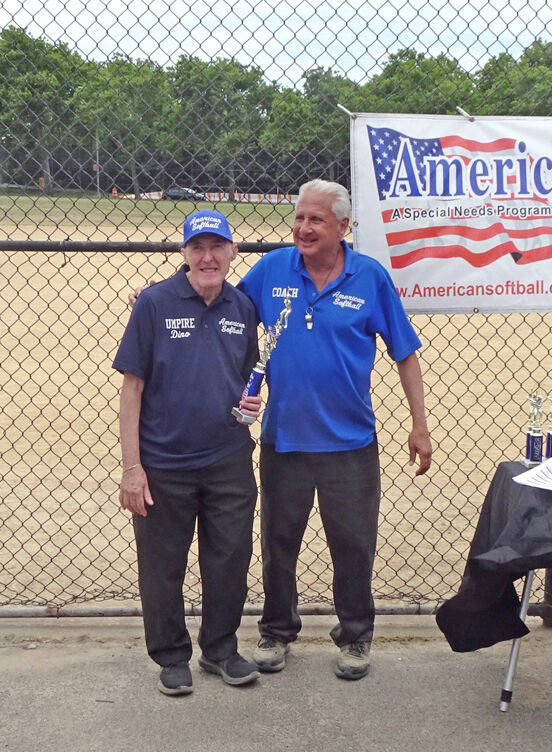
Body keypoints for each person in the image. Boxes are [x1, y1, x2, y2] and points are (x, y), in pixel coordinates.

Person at [238, 179, 432, 680]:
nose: (303, 227)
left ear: (343, 226)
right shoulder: (273, 269)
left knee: (352, 544)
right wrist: (164, 295)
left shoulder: (370, 278)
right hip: (285, 439)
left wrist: (419, 424)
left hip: (351, 443)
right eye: (300, 217)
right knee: (279, 542)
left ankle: (355, 637)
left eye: (316, 219)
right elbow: (224, 313)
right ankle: (277, 631)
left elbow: (404, 352)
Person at [114, 209, 263, 696]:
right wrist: (132, 469)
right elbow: (131, 389)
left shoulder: (243, 307)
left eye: (216, 247)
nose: (207, 257)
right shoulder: (154, 304)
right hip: (164, 465)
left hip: (228, 461)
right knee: (162, 566)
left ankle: (220, 649)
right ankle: (171, 655)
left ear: (232, 253)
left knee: (229, 561)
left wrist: (250, 402)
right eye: (197, 247)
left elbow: (245, 375)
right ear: (183, 254)